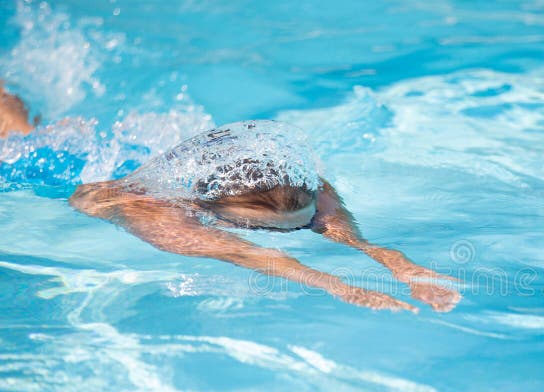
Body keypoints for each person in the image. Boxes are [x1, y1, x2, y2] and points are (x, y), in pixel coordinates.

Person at [0, 84, 460, 312]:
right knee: (22, 138)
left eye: (307, 222)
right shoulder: (155, 212)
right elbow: (255, 258)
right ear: (205, 210)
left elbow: (350, 236)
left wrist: (406, 271)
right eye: (259, 228)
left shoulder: (301, 189)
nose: (311, 226)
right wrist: (343, 288)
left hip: (146, 157)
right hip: (59, 175)